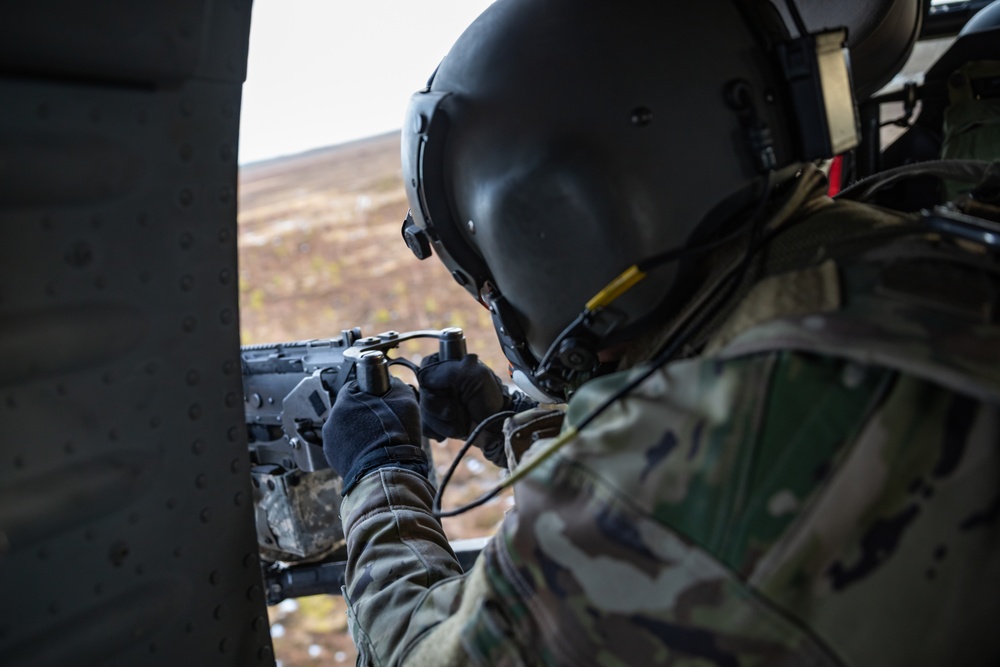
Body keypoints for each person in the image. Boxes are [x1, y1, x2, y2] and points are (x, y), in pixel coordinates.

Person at [322, 0, 1000, 664]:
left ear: (563, 227)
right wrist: (504, 422)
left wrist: (379, 473)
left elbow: (437, 654)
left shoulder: (733, 440)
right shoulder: (895, 262)